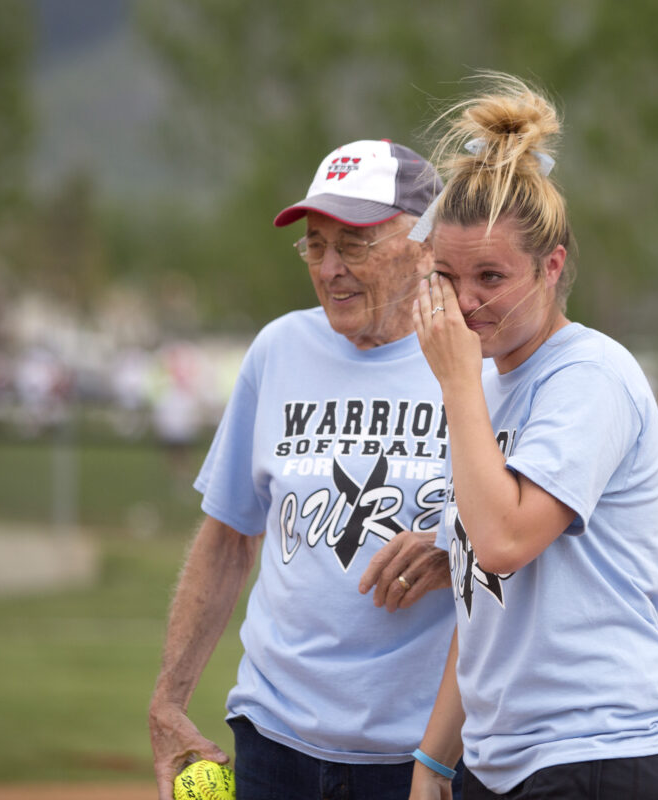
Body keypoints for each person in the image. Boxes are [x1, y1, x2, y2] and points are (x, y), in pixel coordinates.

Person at [405, 73, 658, 799]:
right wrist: (435, 760)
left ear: (551, 267)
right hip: (502, 761)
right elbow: (483, 602)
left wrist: (458, 386)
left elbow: (504, 543)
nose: (466, 301)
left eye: (491, 276)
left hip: (597, 755)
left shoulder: (588, 376)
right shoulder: (490, 386)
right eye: (447, 276)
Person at [148, 139, 467, 800]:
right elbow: (230, 535)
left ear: (427, 243)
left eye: (354, 244)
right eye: (316, 245)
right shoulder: (279, 350)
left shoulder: (477, 363)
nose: (329, 269)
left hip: (420, 758)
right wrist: (169, 700)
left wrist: (454, 544)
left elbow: (524, 551)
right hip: (273, 742)